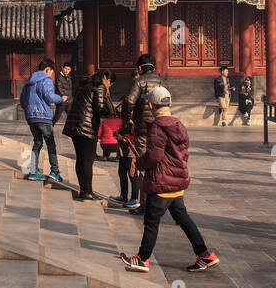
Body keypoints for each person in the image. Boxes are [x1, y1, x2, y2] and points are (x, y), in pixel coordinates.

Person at [120, 86, 219, 274]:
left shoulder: (158, 127)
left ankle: (142, 258)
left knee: (151, 221)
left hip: (162, 182)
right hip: (176, 181)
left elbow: (154, 156)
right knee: (183, 218)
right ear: (170, 103)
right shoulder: (178, 125)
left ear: (150, 105)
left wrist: (139, 163)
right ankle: (204, 254)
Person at [119, 53, 163, 211]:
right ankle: (155, 201)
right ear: (154, 66)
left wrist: (126, 118)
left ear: (139, 68)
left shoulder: (140, 81)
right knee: (155, 163)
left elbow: (130, 101)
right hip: (157, 127)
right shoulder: (160, 81)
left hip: (142, 128)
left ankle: (145, 204)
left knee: (143, 165)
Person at [64, 69, 109, 200]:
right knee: (88, 160)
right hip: (87, 128)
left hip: (74, 125)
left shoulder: (83, 85)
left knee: (80, 159)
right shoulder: (99, 87)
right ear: (107, 79)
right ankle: (88, 191)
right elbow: (100, 107)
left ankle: (83, 189)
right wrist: (110, 112)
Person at [22, 58, 65, 183]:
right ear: (47, 69)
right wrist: (61, 98)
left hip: (31, 117)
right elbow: (49, 96)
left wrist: (30, 111)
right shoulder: (46, 80)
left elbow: (23, 101)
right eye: (52, 72)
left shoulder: (28, 82)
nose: (52, 75)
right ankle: (55, 171)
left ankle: (33, 171)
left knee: (37, 143)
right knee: (50, 143)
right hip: (43, 116)